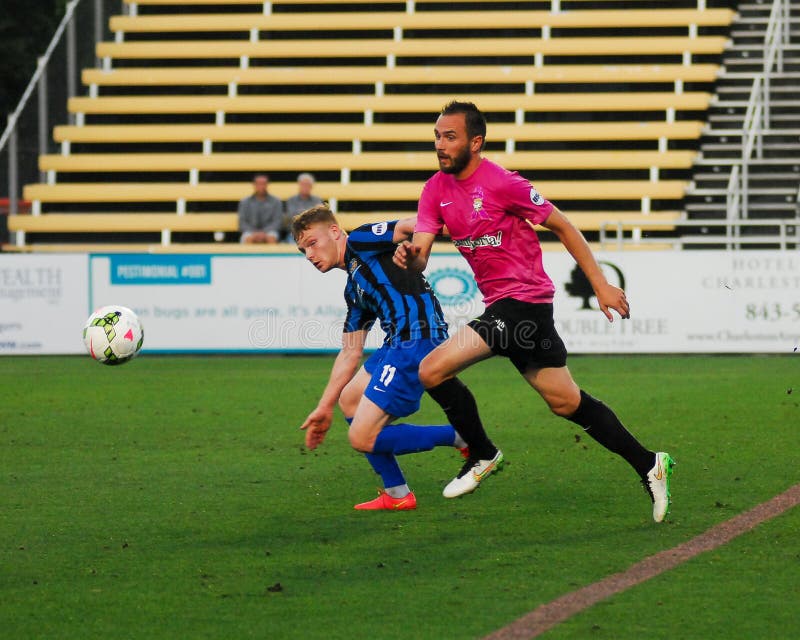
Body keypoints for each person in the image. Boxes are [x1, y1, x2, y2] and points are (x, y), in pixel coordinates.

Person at [393, 101, 674, 522]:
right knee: (565, 402)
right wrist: (410, 256)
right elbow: (421, 257)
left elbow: (563, 226)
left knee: (432, 370)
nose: (440, 144)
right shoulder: (435, 190)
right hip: (513, 310)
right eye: (436, 136)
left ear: (476, 141)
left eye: (449, 136)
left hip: (523, 303)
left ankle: (482, 454)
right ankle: (649, 462)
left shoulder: (503, 183)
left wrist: (600, 284)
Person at [292, 204, 499, 510]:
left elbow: (410, 225)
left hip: (416, 343)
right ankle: (398, 495)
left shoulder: (362, 241)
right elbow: (351, 351)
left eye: (312, 243)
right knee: (349, 398)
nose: (309, 255)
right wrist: (324, 406)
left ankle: (462, 437)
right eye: (302, 250)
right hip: (396, 345)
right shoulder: (354, 289)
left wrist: (464, 225)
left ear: (335, 232)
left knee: (361, 438)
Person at [238, 174, 283, 244]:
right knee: (248, 238)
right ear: (254, 185)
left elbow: (277, 221)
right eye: (259, 184)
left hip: (270, 231)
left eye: (263, 184)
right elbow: (242, 222)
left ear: (267, 185)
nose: (261, 186)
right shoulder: (245, 202)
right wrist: (254, 233)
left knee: (271, 238)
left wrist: (264, 232)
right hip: (250, 232)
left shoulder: (276, 201)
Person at [283, 173, 323, 242]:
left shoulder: (317, 200)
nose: (305, 187)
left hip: (313, 233)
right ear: (299, 185)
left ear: (311, 187)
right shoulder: (291, 200)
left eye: (307, 185)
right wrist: (309, 214)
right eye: (303, 184)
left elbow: (318, 217)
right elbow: (292, 217)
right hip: (295, 232)